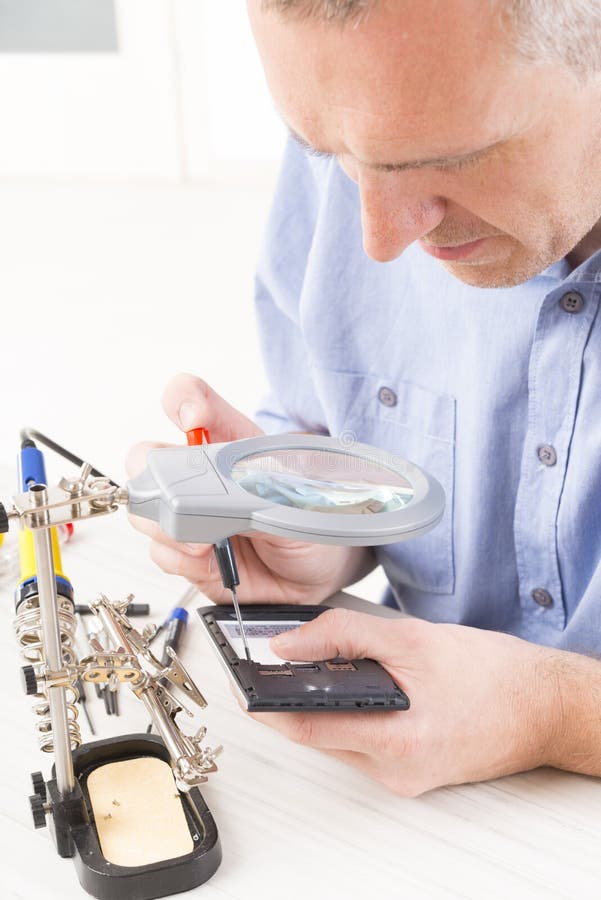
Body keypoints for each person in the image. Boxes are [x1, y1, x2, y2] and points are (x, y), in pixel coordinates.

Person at [128, 0, 601, 796]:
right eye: (334, 156)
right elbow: (330, 426)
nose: (379, 238)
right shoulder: (361, 117)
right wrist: (311, 529)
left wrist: (551, 712)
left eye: (443, 160)